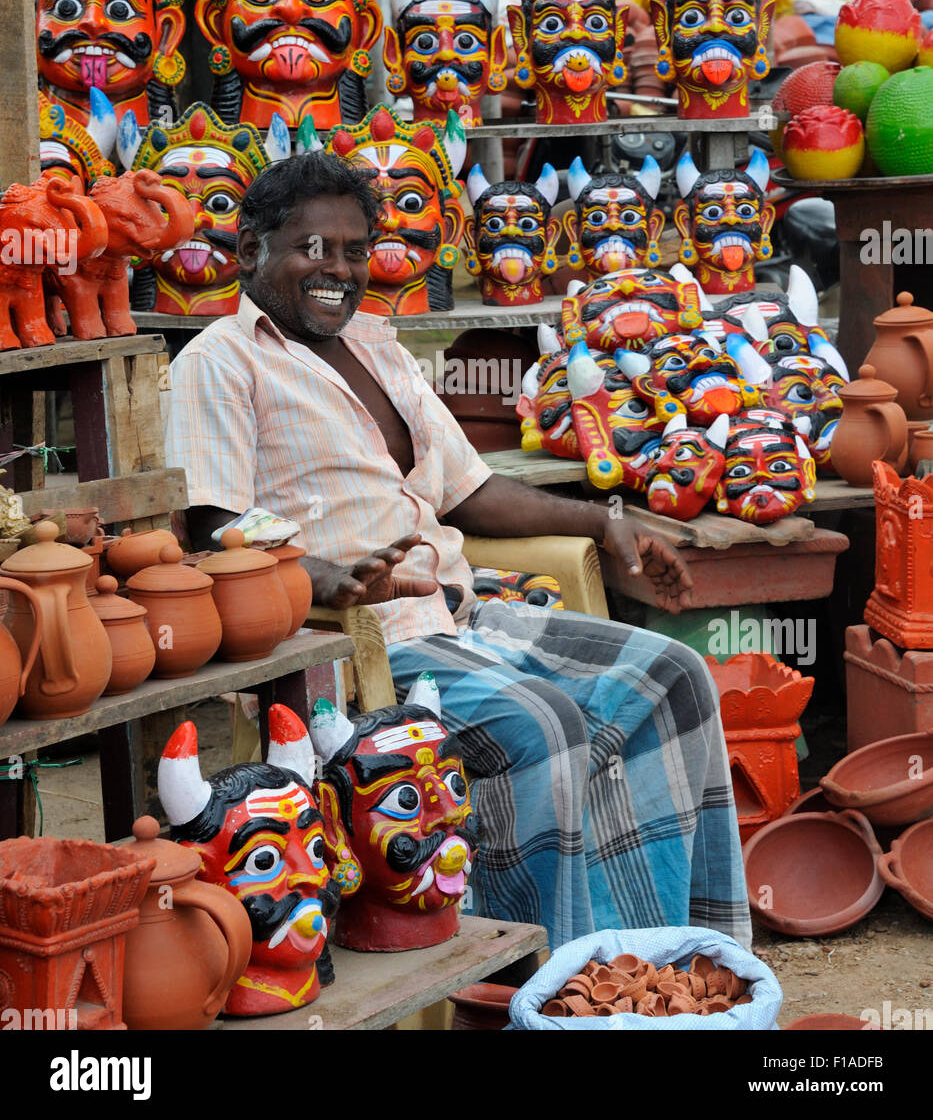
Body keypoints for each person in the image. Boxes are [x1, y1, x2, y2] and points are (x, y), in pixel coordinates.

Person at [164, 150, 751, 950]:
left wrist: (605, 521)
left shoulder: (376, 345)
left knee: (674, 676)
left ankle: (675, 953)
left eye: (352, 251)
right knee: (542, 728)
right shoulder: (221, 361)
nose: (336, 269)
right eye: (311, 248)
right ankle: (548, 971)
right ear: (250, 254)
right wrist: (324, 577)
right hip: (356, 645)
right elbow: (212, 525)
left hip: (460, 614)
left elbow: (468, 489)